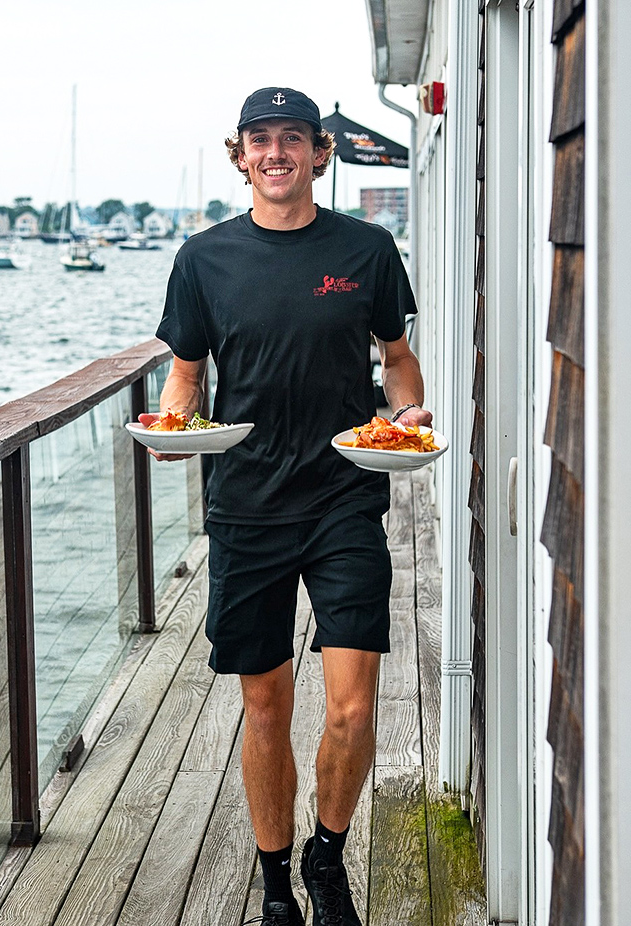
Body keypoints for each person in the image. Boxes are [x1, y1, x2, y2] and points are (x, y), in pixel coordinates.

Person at [147, 87, 432, 926]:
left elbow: (399, 356)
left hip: (345, 494)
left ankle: (327, 854)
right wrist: (173, 426)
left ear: (319, 153)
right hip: (246, 506)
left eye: (294, 139)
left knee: (351, 703)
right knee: (264, 704)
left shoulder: (368, 248)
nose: (277, 153)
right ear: (241, 154)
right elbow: (188, 376)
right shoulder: (204, 258)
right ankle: (276, 881)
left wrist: (406, 412)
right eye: (261, 140)